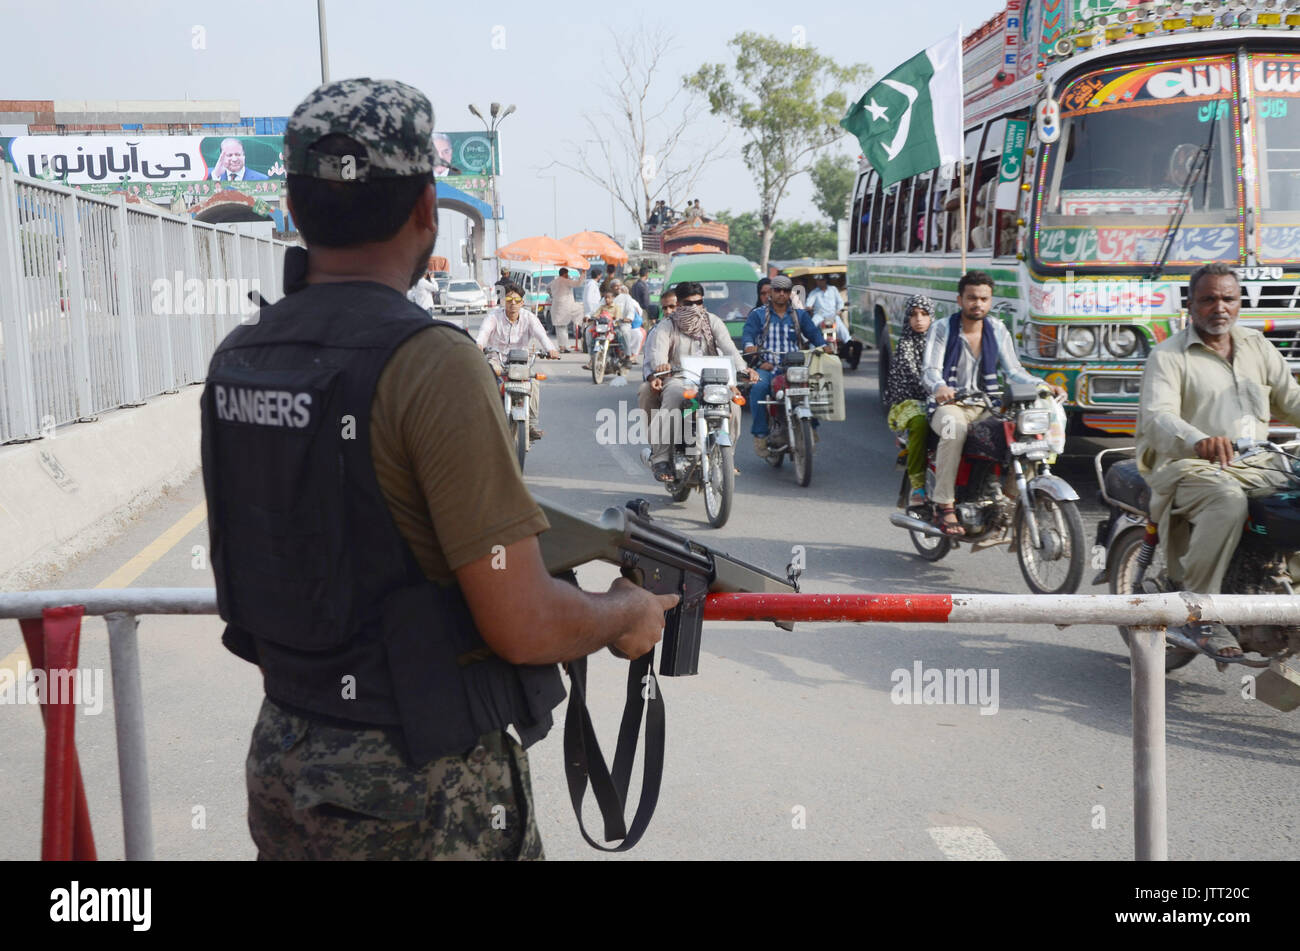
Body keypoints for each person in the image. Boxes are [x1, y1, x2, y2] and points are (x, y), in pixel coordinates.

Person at [199, 77, 675, 862]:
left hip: (286, 762)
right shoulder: (430, 363)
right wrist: (622, 614)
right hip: (418, 793)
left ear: (293, 206)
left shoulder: (239, 360)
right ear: (426, 208)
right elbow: (521, 619)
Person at [1137, 262, 1300, 659]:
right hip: (1190, 466)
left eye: (1228, 298)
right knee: (1226, 498)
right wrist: (1198, 441)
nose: (1219, 307)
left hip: (1260, 462)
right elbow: (1159, 417)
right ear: (1191, 304)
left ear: (1239, 302)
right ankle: (1199, 611)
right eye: (1209, 299)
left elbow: (1291, 401)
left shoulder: (1256, 346)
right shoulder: (1169, 355)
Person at [924, 271, 1066, 537]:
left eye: (984, 299)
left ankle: (1010, 502)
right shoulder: (942, 328)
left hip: (987, 404)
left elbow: (1014, 370)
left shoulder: (997, 329)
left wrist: (1043, 385)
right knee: (955, 428)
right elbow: (930, 370)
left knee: (1024, 434)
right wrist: (940, 387)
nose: (978, 304)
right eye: (972, 298)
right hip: (950, 405)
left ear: (990, 301)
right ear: (960, 300)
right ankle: (945, 504)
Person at [646, 282, 756, 482]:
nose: (695, 308)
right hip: (679, 378)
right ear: (678, 304)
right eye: (689, 303)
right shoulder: (667, 326)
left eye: (699, 302)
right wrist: (661, 366)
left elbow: (729, 348)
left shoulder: (713, 321)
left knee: (733, 402)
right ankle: (661, 458)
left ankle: (727, 457)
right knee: (672, 398)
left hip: (713, 379)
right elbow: (658, 353)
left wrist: (743, 369)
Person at [740, 275, 832, 460]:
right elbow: (748, 335)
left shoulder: (799, 316)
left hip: (795, 367)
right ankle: (760, 436)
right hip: (768, 366)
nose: (781, 294)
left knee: (812, 388)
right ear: (771, 292)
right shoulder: (758, 314)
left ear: (790, 293)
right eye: (777, 290)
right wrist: (751, 348)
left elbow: (814, 335)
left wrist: (824, 346)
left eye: (786, 291)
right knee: (758, 388)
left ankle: (810, 427)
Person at [477, 282, 559, 440]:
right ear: (503, 301)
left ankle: (531, 425)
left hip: (520, 362)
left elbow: (542, 335)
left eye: (516, 300)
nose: (512, 304)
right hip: (497, 360)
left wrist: (551, 349)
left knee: (534, 382)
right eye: (509, 300)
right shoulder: (494, 316)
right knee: (487, 379)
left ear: (522, 302)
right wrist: (479, 344)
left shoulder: (529, 317)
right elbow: (484, 332)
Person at [884, 295, 936, 506]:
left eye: (924, 314)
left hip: (941, 400)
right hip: (910, 404)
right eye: (913, 315)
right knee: (921, 424)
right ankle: (918, 485)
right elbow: (909, 384)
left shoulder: (941, 342)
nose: (919, 319)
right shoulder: (904, 346)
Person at [806, 275, 861, 370]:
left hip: (833, 315)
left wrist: (839, 310)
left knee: (844, 332)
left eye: (821, 280)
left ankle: (848, 347)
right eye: (818, 280)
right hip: (819, 316)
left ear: (825, 280)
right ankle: (810, 348)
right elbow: (808, 303)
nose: (819, 282)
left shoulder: (833, 289)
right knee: (811, 330)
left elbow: (840, 302)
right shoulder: (814, 292)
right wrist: (808, 307)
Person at [546, 266, 582, 351]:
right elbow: (578, 284)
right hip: (565, 307)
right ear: (565, 274)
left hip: (556, 306)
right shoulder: (566, 281)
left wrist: (552, 295)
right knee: (563, 327)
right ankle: (564, 347)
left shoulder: (553, 282)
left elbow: (547, 288)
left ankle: (562, 346)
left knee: (559, 328)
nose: (568, 275)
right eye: (567, 274)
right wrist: (583, 274)